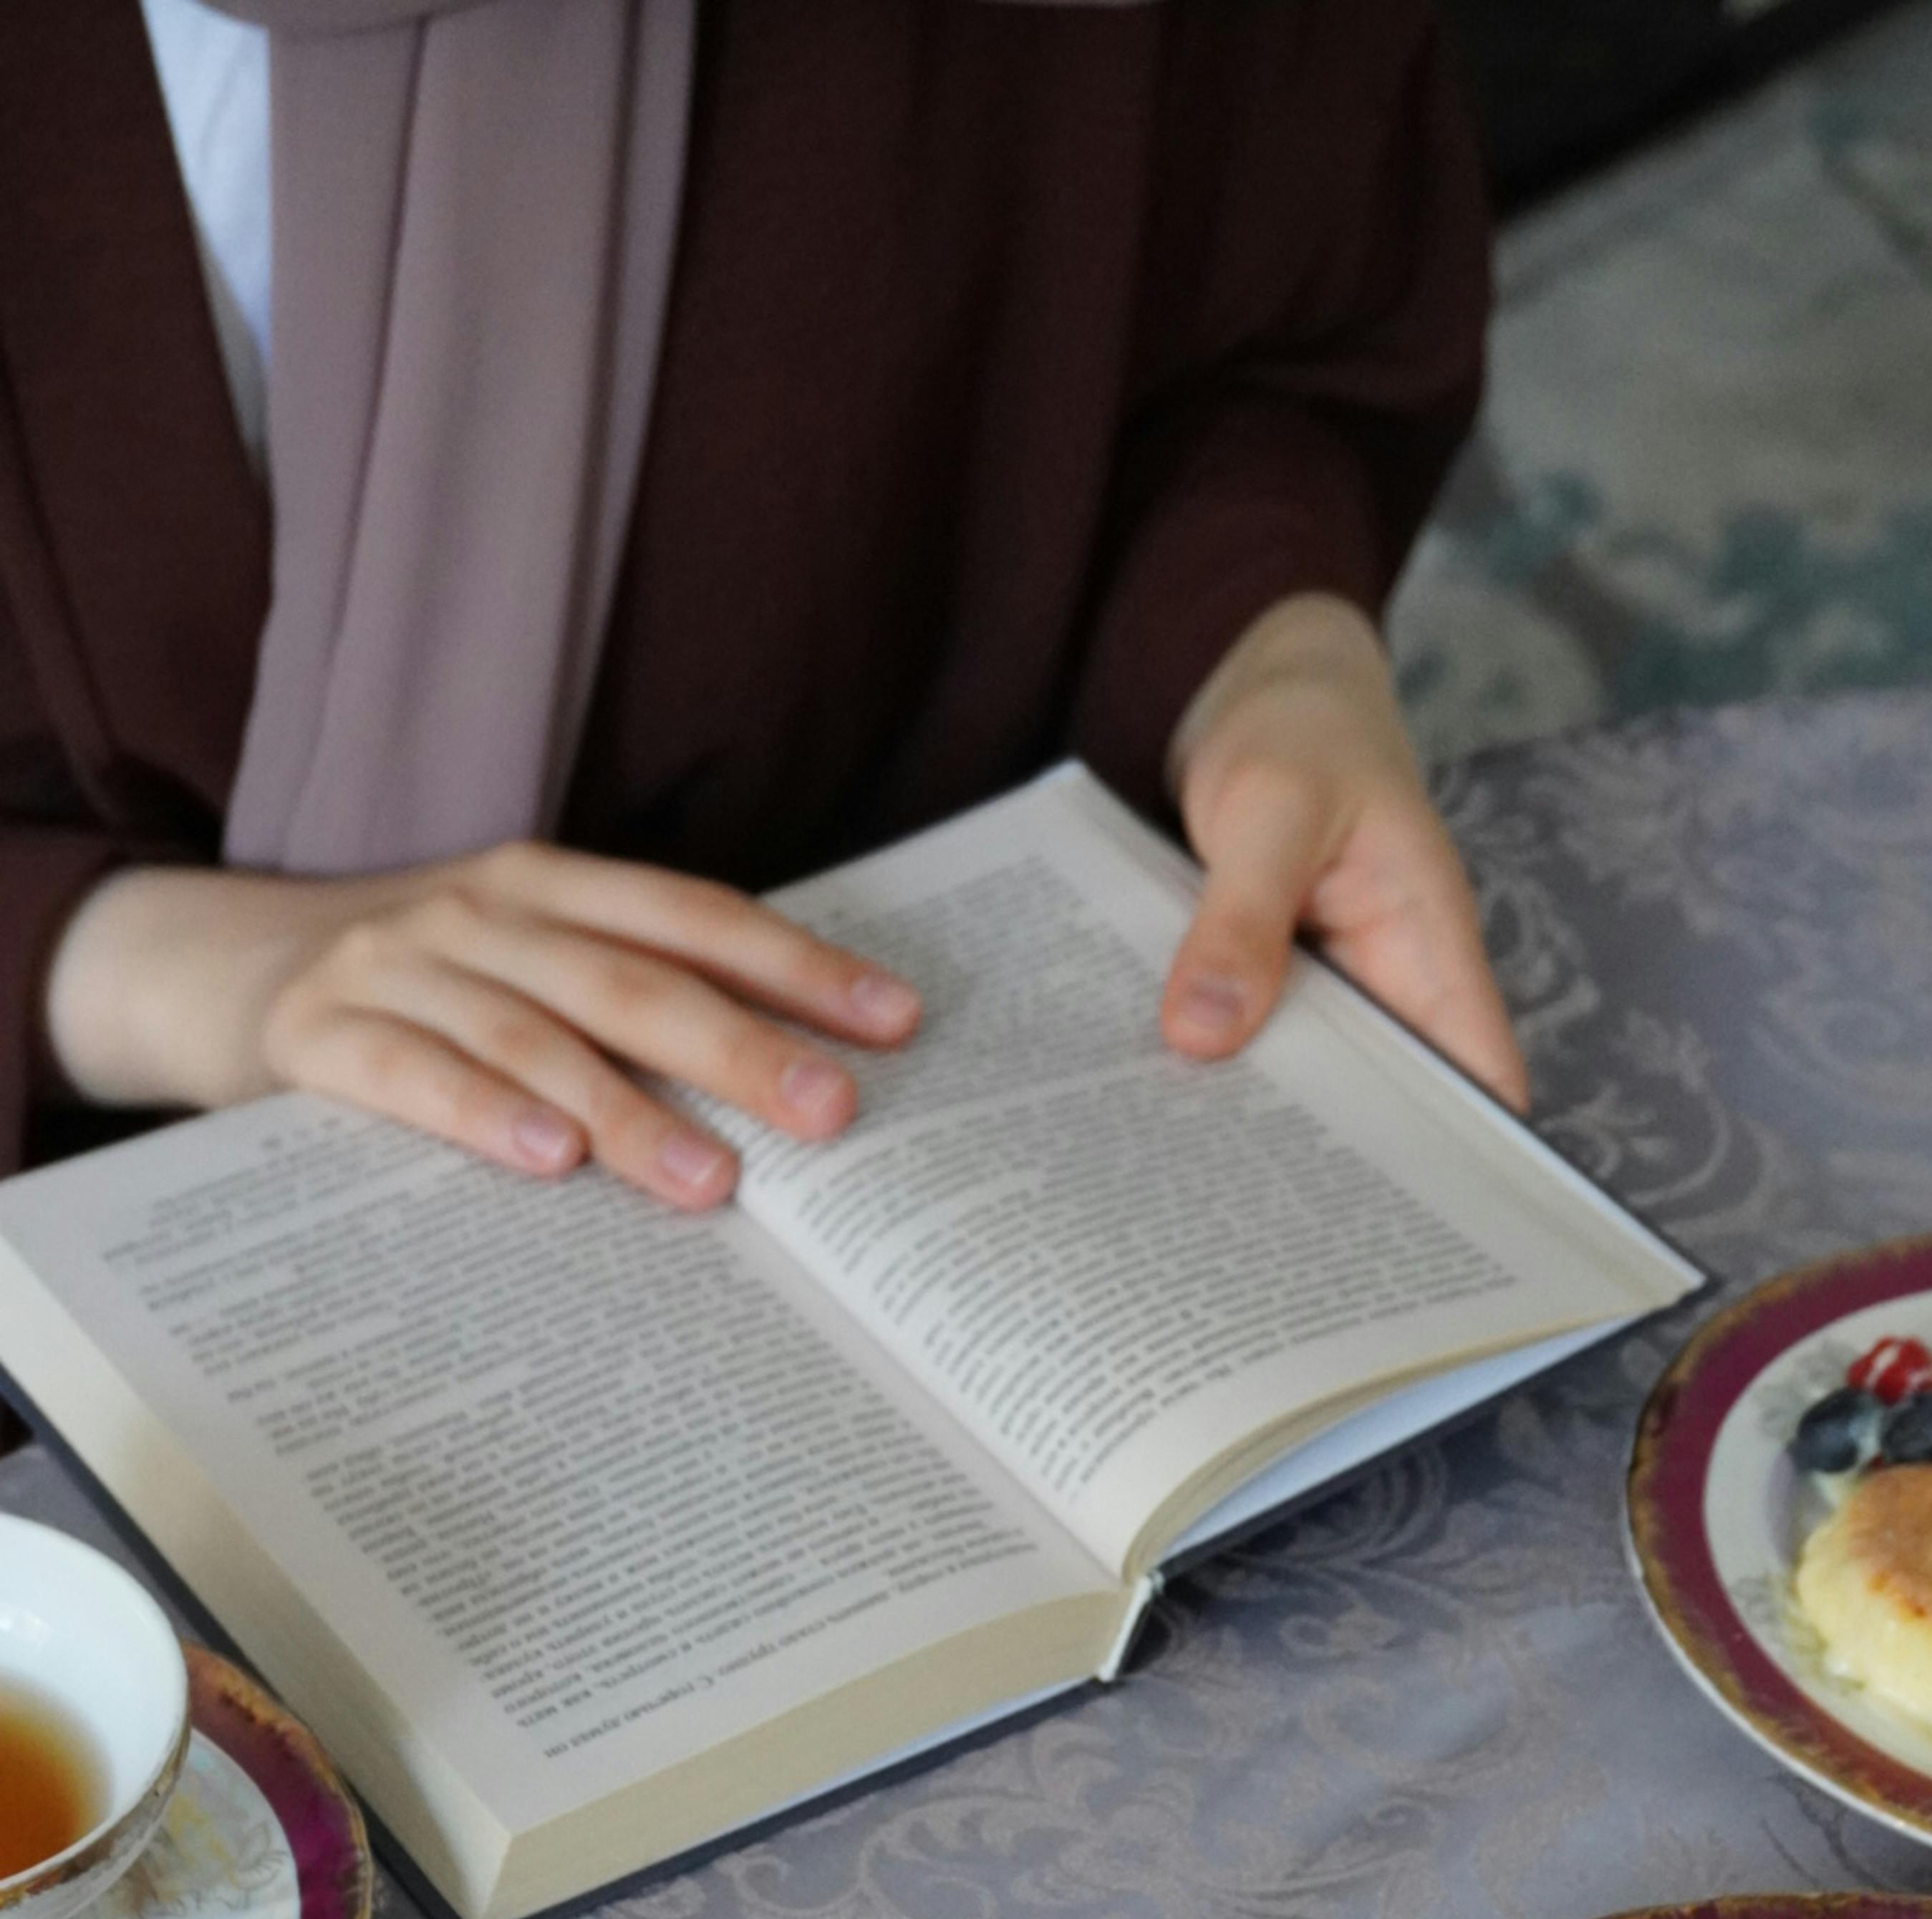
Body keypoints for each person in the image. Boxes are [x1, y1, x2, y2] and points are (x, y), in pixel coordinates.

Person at [1, 0, 1526, 1209]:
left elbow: (1263, 343)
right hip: (93, 1259)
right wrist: (160, 972)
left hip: (931, 1082)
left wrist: (1272, 655)